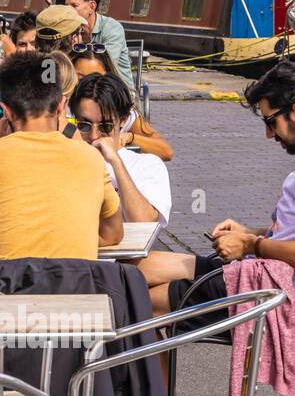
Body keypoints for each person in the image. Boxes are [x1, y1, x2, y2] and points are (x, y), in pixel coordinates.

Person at [138, 61, 295, 338]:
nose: (269, 134)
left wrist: (249, 244)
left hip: (270, 299)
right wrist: (249, 233)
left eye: (271, 122)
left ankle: (125, 378)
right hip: (260, 278)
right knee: (136, 269)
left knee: (141, 307)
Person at [0, 51, 123, 258]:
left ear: (7, 112)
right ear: (61, 108)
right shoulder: (90, 158)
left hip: (7, 286)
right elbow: (113, 234)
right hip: (76, 284)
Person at [72, 72, 171, 226]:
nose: (93, 135)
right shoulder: (65, 161)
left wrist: (116, 162)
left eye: (106, 126)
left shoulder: (147, 165)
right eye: (84, 125)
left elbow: (143, 223)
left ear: (123, 121)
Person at [69, 45, 174, 161]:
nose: (90, 86)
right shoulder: (59, 107)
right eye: (83, 124)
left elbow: (166, 151)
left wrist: (129, 137)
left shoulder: (119, 109)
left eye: (106, 126)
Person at [66, 0, 133, 79]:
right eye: (66, 6)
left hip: (117, 90)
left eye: (74, 6)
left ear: (92, 7)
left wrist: (76, 50)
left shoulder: (112, 28)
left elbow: (103, 66)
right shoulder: (69, 28)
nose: (67, 11)